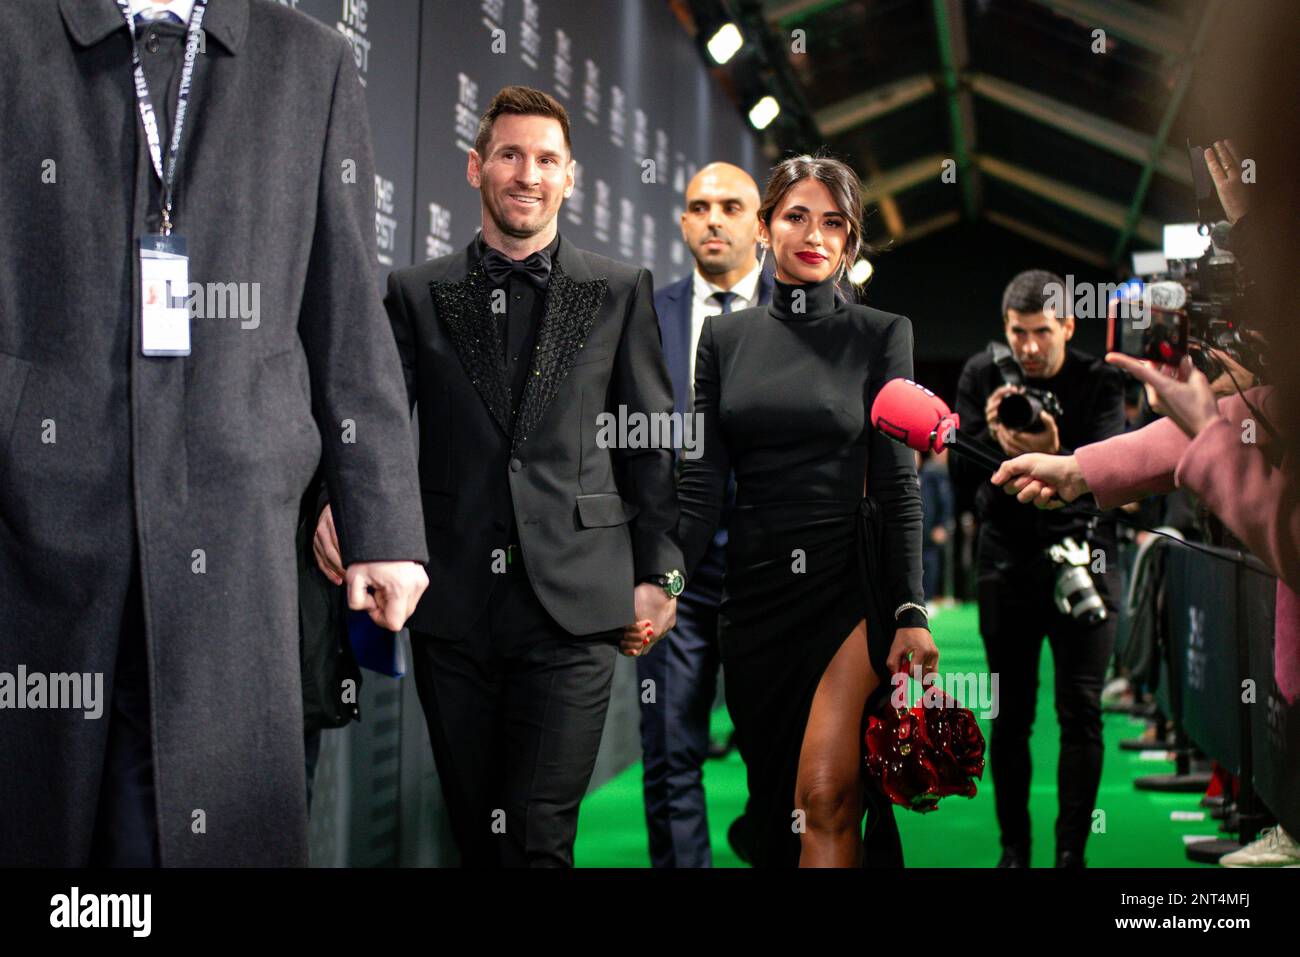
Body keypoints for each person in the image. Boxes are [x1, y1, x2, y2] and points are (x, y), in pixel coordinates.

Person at [0, 0, 428, 867]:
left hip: (235, 532)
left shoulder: (310, 63)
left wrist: (383, 521)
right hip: (35, 518)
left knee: (201, 820)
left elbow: (346, 302)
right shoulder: (15, 36)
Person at [315, 85, 682, 868]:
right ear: (477, 165)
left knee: (538, 836)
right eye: (511, 154)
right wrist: (333, 502)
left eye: (547, 158)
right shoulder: (418, 292)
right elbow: (369, 419)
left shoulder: (618, 290)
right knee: (477, 830)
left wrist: (660, 572)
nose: (528, 173)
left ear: (570, 177)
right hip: (454, 606)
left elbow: (649, 440)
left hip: (577, 606)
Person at [673, 154, 937, 868]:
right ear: (765, 228)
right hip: (753, 599)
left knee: (825, 794)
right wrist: (663, 583)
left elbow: (897, 483)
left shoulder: (882, 334)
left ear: (850, 242)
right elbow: (701, 485)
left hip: (846, 588)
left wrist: (910, 609)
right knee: (779, 806)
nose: (813, 234)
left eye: (834, 223)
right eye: (795, 216)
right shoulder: (724, 341)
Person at [950, 270, 1126, 868]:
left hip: (1085, 558)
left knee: (1081, 710)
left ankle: (1071, 854)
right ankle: (1014, 852)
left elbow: (1111, 482)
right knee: (1012, 716)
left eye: (1041, 333)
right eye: (1017, 332)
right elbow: (962, 482)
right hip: (1006, 562)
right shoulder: (982, 377)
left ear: (1067, 326)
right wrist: (1002, 445)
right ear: (1005, 327)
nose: (1027, 347)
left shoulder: (1099, 380)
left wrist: (1053, 452)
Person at [637, 161, 772, 868]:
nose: (713, 218)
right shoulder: (644, 313)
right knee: (669, 752)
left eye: (730, 205)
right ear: (682, 222)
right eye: (698, 205)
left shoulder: (807, 312)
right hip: (672, 570)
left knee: (780, 768)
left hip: (774, 570)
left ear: (762, 225)